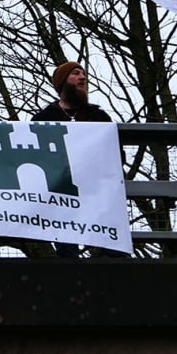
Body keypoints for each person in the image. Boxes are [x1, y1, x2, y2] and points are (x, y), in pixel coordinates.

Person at [32, 60, 119, 259]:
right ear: (62, 81)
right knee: (66, 247)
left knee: (113, 246)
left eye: (83, 74)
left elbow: (115, 155)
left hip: (95, 191)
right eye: (76, 73)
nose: (82, 77)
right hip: (61, 192)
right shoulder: (43, 118)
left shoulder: (98, 116)